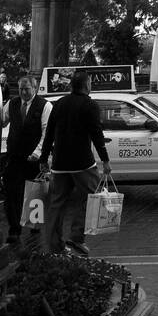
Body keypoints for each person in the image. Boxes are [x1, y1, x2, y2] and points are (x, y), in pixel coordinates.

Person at [41, 71, 110, 256]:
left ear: (72, 85)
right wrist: (105, 159)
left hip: (60, 163)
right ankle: (77, 236)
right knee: (92, 197)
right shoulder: (90, 105)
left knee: (57, 203)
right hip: (82, 163)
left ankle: (54, 245)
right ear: (87, 85)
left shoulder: (60, 103)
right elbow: (96, 133)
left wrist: (43, 158)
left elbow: (49, 133)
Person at [0, 75, 49, 244]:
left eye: (27, 89)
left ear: (34, 89)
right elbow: (1, 120)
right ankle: (14, 229)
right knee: (12, 192)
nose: (23, 92)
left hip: (34, 157)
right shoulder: (12, 103)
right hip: (15, 155)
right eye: (21, 89)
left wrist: (38, 152)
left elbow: (47, 131)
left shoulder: (45, 106)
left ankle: (35, 224)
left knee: (36, 192)